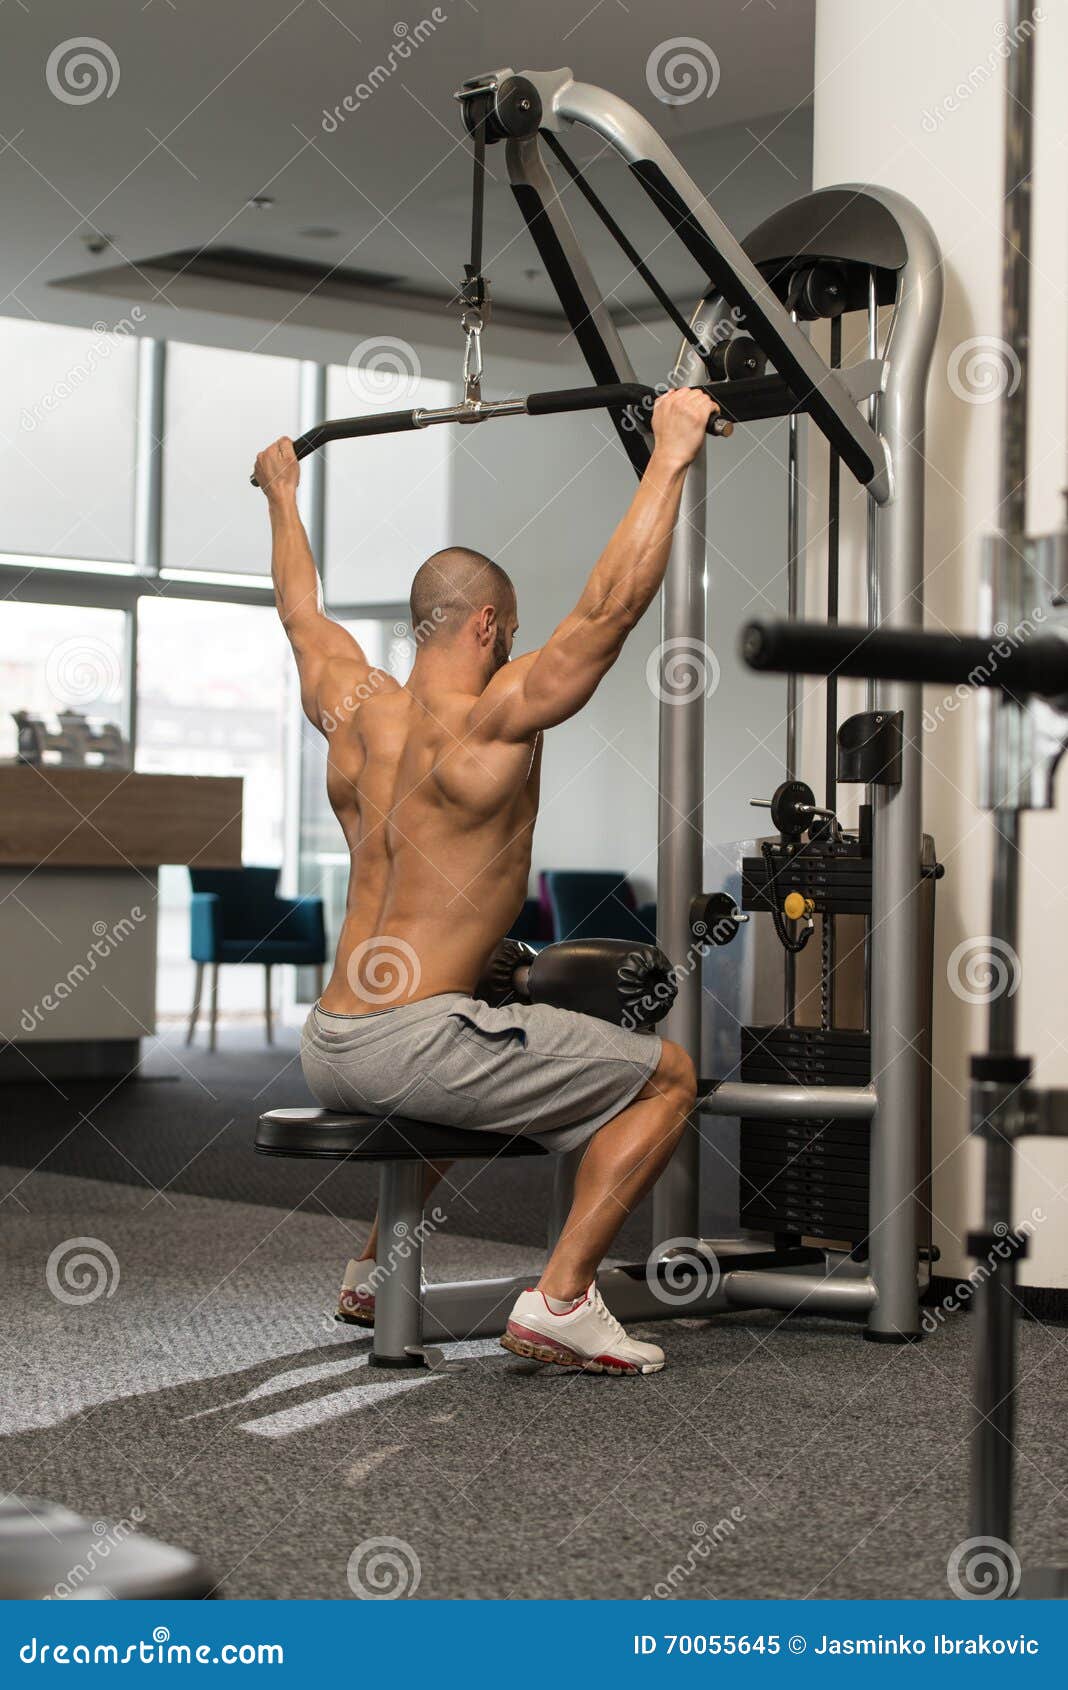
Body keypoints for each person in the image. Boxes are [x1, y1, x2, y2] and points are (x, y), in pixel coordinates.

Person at [255, 387, 713, 1375]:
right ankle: (561, 1299)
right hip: (411, 1039)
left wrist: (282, 495)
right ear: (487, 625)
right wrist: (670, 452)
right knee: (669, 1076)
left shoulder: (354, 705)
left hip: (332, 1038)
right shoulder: (497, 716)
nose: (512, 648)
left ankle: (379, 1269)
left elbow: (301, 612)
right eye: (507, 635)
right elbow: (609, 609)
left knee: (466, 1056)